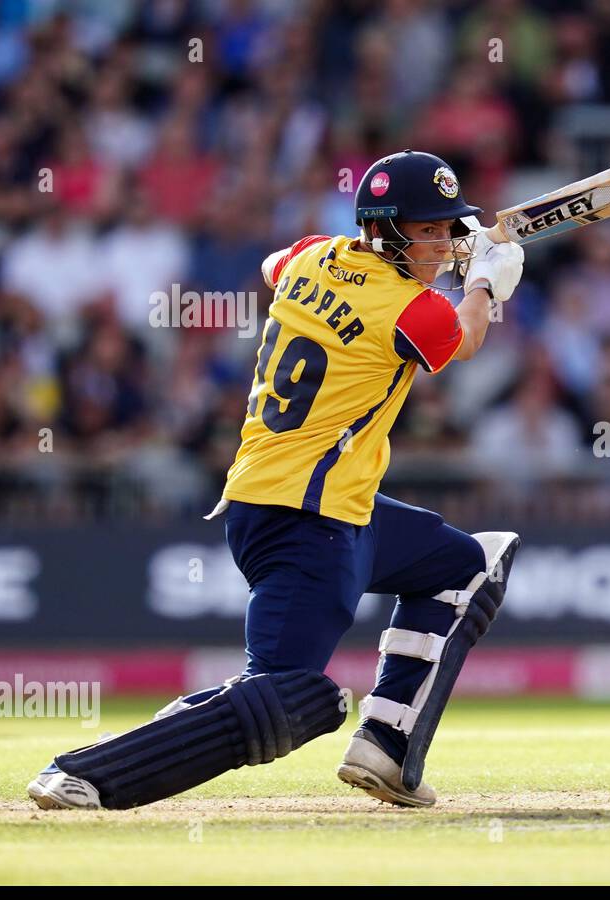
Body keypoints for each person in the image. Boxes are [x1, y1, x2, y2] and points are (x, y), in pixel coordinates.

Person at [28, 150, 526, 811]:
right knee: (292, 698)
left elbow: (279, 264)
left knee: (466, 567)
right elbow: (463, 336)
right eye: (428, 230)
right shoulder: (412, 310)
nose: (440, 244)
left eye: (446, 230)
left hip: (317, 507)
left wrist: (444, 261)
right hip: (307, 525)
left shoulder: (310, 256)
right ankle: (89, 772)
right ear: (384, 231)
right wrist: (485, 282)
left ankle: (387, 745)